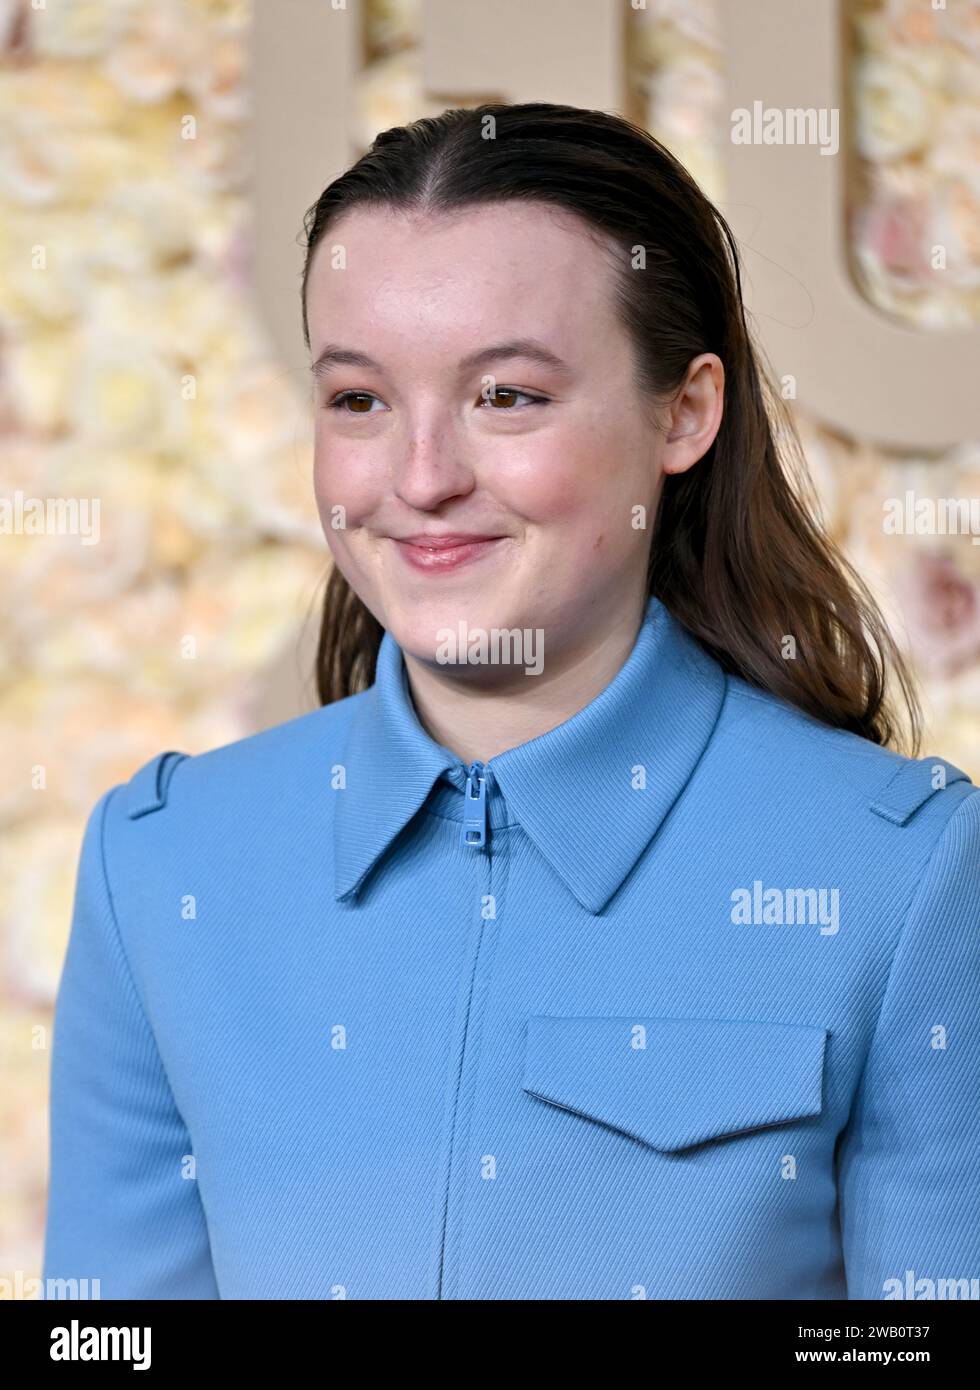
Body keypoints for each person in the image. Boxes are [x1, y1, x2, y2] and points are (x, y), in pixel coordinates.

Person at [43, 102, 980, 1301]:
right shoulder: (159, 867)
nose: (421, 479)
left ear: (684, 412)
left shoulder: (900, 880)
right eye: (359, 401)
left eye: (507, 397)